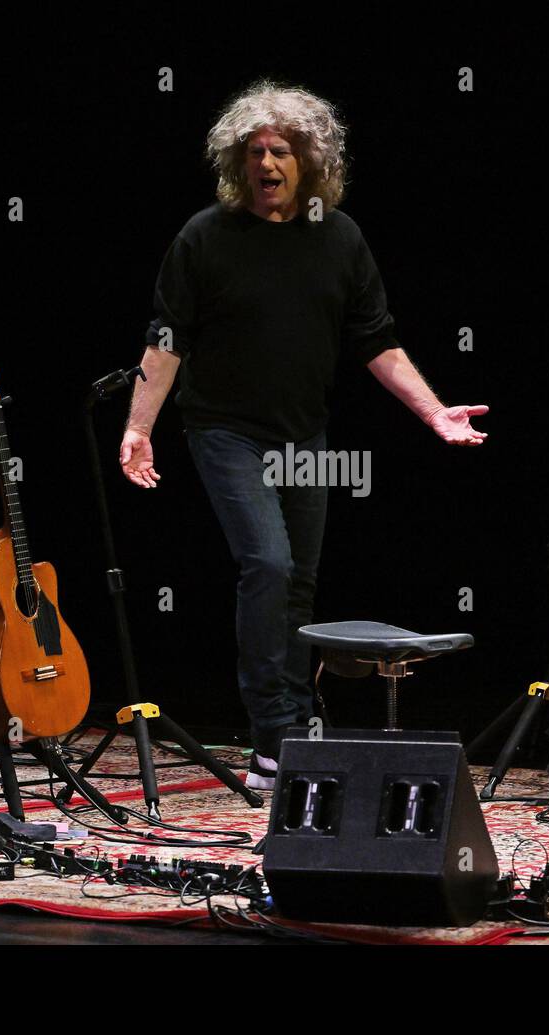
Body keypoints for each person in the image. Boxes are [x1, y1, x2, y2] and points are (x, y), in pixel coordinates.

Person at [121, 80, 487, 789]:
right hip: (224, 431)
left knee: (300, 584)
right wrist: (140, 428)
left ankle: (292, 728)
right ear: (238, 161)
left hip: (305, 439)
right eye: (254, 151)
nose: (267, 163)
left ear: (309, 161)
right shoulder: (205, 238)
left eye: (281, 150)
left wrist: (434, 412)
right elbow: (163, 342)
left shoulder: (340, 239)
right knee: (268, 563)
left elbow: (378, 342)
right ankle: (274, 738)